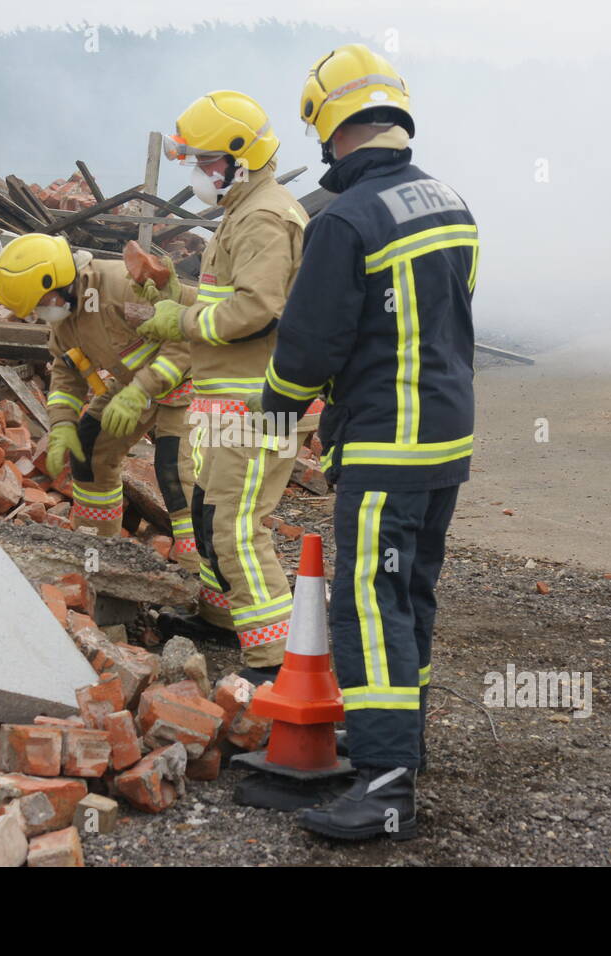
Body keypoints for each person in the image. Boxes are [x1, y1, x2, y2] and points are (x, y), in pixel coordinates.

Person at [258, 44, 480, 840]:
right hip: (446, 441)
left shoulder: (344, 219)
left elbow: (308, 347)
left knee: (367, 603)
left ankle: (386, 786)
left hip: (388, 446)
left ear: (328, 128)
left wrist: (273, 416)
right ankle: (401, 741)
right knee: (409, 593)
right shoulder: (449, 201)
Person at [137, 91, 314, 682]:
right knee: (212, 516)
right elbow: (223, 302)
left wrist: (180, 321)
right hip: (226, 403)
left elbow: (257, 309)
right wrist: (174, 294)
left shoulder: (265, 215)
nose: (198, 173)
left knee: (238, 529)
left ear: (239, 156)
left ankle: (278, 664)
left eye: (205, 161)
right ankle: (226, 623)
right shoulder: (243, 210)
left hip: (255, 404)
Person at [0, 233, 200, 572]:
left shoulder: (121, 289)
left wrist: (141, 391)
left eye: (41, 302)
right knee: (88, 451)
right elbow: (66, 371)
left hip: (192, 378)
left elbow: (185, 336)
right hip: (137, 382)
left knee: (176, 475)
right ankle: (97, 553)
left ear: (57, 281)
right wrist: (61, 424)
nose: (41, 313)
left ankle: (202, 584)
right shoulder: (67, 315)